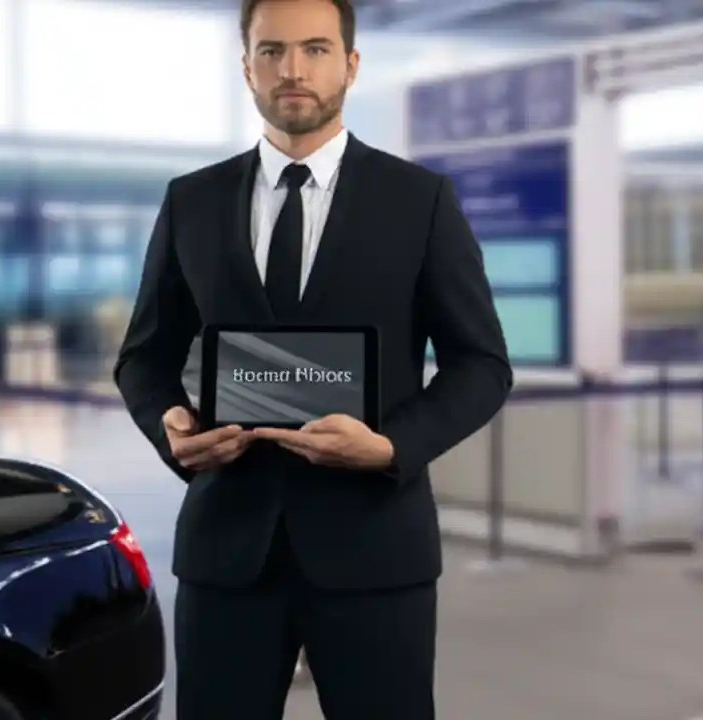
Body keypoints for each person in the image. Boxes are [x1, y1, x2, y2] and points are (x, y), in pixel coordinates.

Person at [111, 0, 514, 718]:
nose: (293, 69)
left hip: (374, 548)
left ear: (351, 64)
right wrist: (168, 423)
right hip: (228, 550)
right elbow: (143, 359)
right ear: (246, 67)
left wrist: (392, 446)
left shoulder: (418, 201)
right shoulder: (192, 202)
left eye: (316, 49)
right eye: (271, 51)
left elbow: (481, 364)